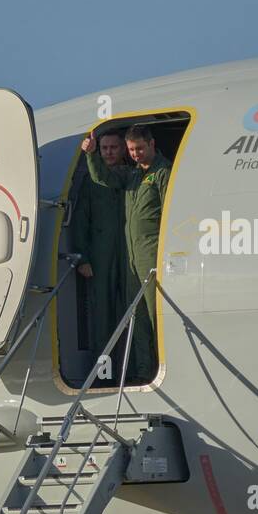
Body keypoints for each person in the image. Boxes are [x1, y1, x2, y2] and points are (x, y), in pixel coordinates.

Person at [81, 124, 172, 383]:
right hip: (132, 257)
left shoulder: (162, 173)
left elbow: (170, 212)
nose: (135, 154)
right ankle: (144, 370)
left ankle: (163, 367)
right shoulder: (132, 176)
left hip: (151, 254)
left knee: (156, 315)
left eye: (139, 149)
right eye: (132, 150)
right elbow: (104, 179)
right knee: (138, 315)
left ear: (152, 144)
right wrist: (91, 155)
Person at [71, 129, 130, 360]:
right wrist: (83, 259)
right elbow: (80, 220)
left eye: (113, 147)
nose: (109, 152)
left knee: (130, 309)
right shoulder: (90, 182)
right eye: (104, 148)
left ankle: (134, 369)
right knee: (102, 316)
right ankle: (105, 374)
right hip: (100, 256)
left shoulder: (131, 176)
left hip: (127, 254)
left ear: (123, 149)